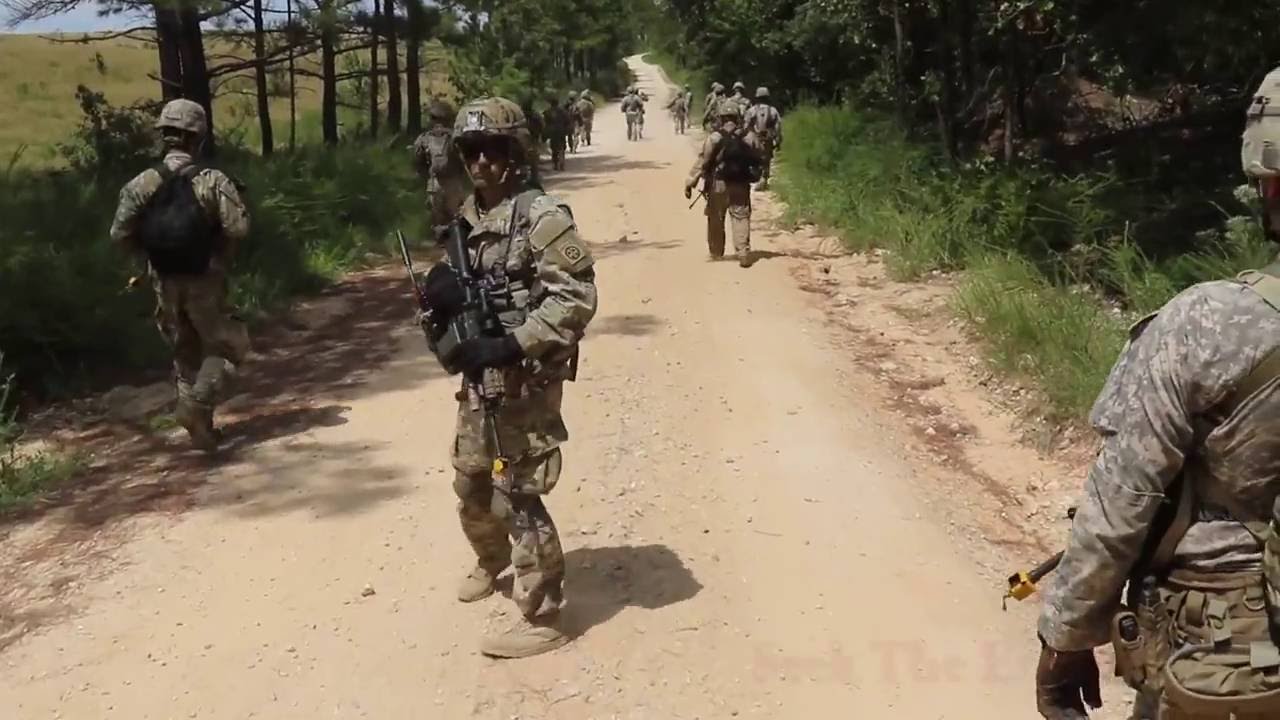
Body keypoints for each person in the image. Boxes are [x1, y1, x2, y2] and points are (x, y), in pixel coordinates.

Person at [1034, 65, 1280, 720]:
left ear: (1268, 180)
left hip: (1228, 667)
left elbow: (1125, 498)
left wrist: (1065, 636)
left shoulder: (1209, 323)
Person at [416, 96, 598, 659]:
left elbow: (577, 298)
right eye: (471, 151)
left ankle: (542, 610)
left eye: (493, 150)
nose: (481, 162)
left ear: (515, 153)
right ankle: (492, 558)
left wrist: (511, 341)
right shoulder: (466, 218)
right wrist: (437, 293)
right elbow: (449, 305)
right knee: (471, 480)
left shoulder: (541, 217)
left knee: (515, 489)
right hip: (478, 375)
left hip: (523, 376)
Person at [109, 99, 250, 453]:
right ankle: (196, 408)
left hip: (164, 282)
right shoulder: (211, 180)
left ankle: (201, 430)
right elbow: (238, 227)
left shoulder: (142, 183)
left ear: (164, 137)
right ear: (197, 137)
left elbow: (119, 234)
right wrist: (218, 256)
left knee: (185, 352)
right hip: (205, 279)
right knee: (227, 349)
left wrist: (151, 257)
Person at [683, 102, 761, 268]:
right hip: (741, 182)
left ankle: (717, 252)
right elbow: (759, 155)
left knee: (716, 217)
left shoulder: (714, 137)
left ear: (721, 118)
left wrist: (690, 182)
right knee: (741, 216)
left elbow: (703, 162)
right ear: (737, 117)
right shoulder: (749, 136)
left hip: (718, 183)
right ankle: (743, 252)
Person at [413, 98, 468, 227]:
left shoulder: (427, 138)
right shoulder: (452, 136)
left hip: (441, 181)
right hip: (445, 181)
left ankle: (446, 237)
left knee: (444, 214)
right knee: (449, 213)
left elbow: (417, 161)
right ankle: (447, 236)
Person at [743, 86, 783, 190]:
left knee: (754, 159)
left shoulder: (752, 110)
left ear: (757, 97)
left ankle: (755, 179)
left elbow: (746, 126)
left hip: (754, 140)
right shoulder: (773, 111)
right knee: (766, 160)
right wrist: (778, 141)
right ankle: (764, 179)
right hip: (768, 139)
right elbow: (778, 128)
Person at [542, 95, 570, 171]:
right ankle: (562, 162)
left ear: (550, 103)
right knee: (562, 147)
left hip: (552, 132)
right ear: (557, 103)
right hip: (561, 131)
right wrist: (567, 130)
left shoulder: (547, 112)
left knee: (554, 148)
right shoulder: (563, 111)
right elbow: (567, 121)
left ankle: (555, 164)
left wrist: (545, 133)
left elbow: (545, 123)